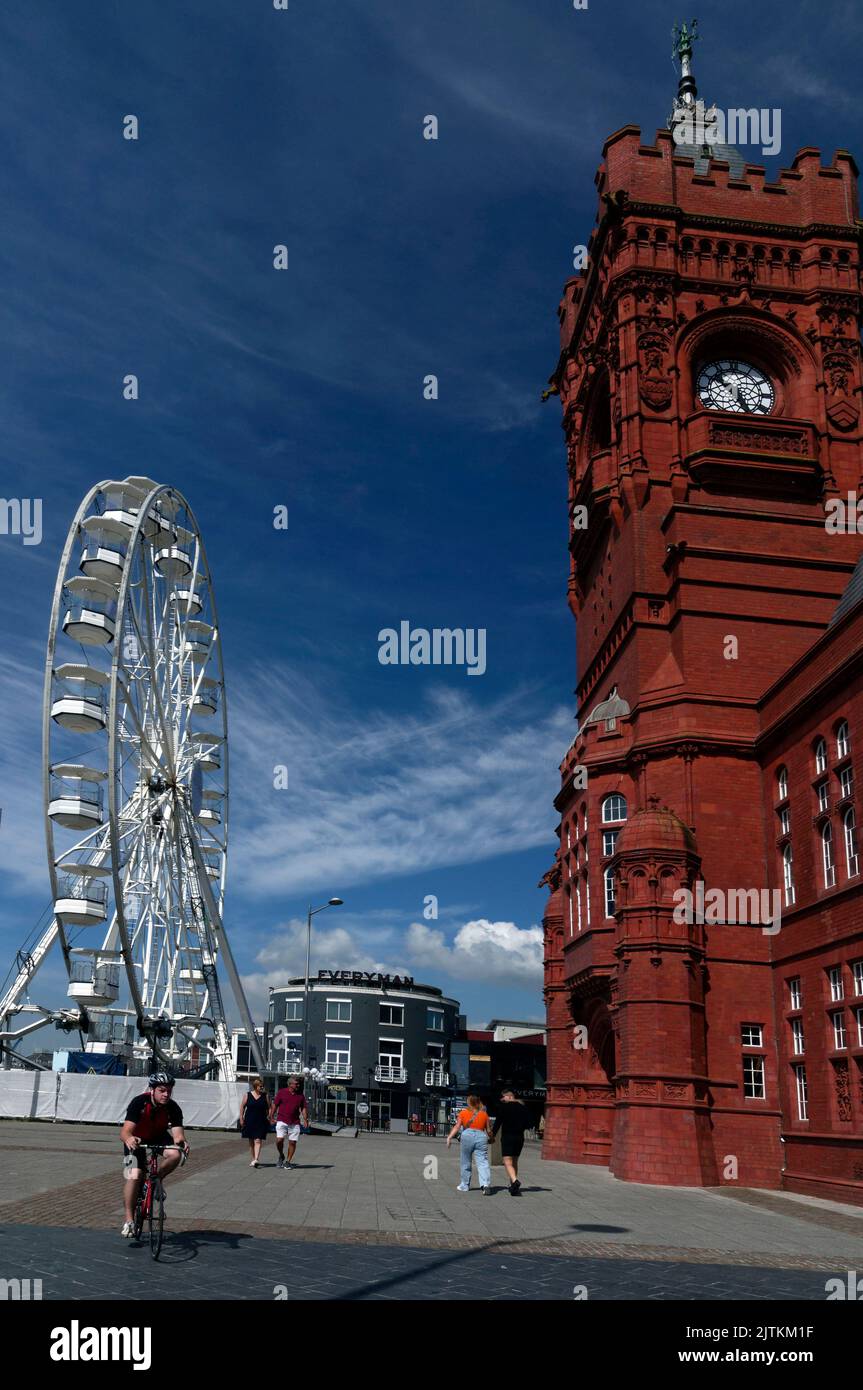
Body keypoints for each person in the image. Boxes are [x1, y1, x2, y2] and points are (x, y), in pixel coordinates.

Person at [119, 1071, 189, 1238]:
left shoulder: (173, 1107)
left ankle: (157, 1178)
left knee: (174, 1154)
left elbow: (178, 1135)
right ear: (152, 1089)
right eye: (162, 1090)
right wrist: (129, 1139)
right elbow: (125, 1132)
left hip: (158, 1136)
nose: (166, 1094)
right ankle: (129, 1220)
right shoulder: (139, 1102)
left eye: (169, 1091)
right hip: (135, 1139)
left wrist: (182, 1143)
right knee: (134, 1175)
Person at [446, 1094, 492, 1194]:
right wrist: (492, 1138)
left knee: (465, 1160)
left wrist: (449, 1137)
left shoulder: (463, 1113)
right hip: (481, 1136)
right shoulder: (484, 1114)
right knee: (482, 1161)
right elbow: (488, 1130)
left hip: (467, 1136)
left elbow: (457, 1127)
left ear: (469, 1102)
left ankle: (465, 1185)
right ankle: (485, 1184)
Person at [490, 1089, 533, 1195]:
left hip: (507, 1137)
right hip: (519, 1138)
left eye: (503, 1097)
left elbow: (497, 1124)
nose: (502, 1099)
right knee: (515, 1161)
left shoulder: (503, 1108)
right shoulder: (523, 1108)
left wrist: (492, 1136)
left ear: (509, 1096)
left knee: (507, 1162)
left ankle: (514, 1181)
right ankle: (513, 1185)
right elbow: (529, 1124)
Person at [269, 1074, 309, 1169]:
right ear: (290, 1084)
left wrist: (305, 1119)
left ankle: (288, 1161)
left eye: (298, 1084)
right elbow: (275, 1105)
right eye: (296, 1084)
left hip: (295, 1122)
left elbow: (303, 1108)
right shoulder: (281, 1092)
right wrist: (271, 1116)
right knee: (279, 1141)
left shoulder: (300, 1096)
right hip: (282, 1120)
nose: (298, 1085)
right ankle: (281, 1155)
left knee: (292, 1142)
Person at [240, 1075, 270, 1167]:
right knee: (251, 1141)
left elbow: (269, 1107)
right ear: (255, 1086)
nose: (262, 1087)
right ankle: (253, 1158)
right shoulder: (247, 1095)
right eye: (260, 1086)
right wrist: (241, 1118)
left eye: (262, 1086)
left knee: (258, 1140)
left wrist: (269, 1116)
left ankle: (256, 1159)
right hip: (249, 1120)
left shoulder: (265, 1096)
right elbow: (242, 1107)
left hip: (261, 1121)